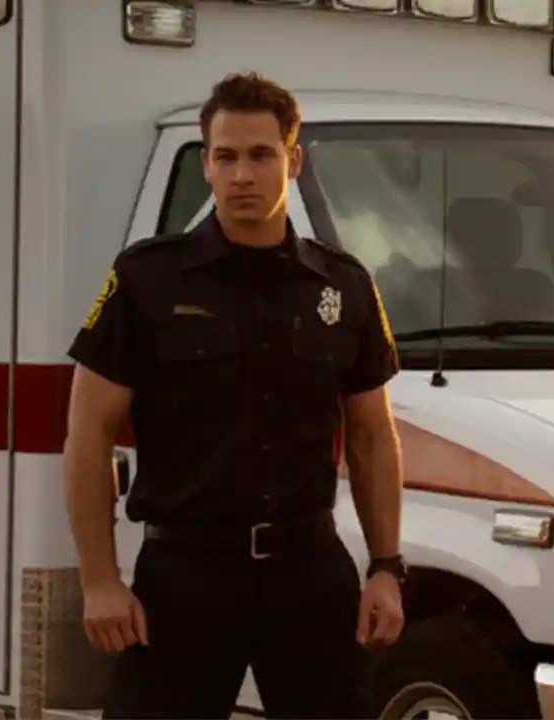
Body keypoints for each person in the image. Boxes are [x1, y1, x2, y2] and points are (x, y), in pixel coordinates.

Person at [62, 71, 407, 719]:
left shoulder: (344, 285)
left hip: (310, 573)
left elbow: (371, 438)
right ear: (207, 165)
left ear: (292, 160)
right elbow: (86, 437)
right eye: (225, 157)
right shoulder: (146, 279)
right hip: (186, 575)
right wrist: (101, 581)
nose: (242, 174)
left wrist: (386, 566)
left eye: (260, 154)